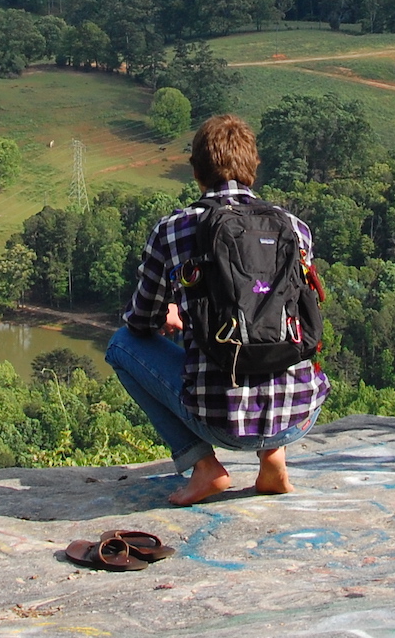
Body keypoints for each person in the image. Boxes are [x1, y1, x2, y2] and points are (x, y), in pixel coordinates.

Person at [106, 114, 330, 506]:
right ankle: (274, 457)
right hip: (299, 416)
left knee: (122, 345)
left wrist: (172, 316)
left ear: (196, 171)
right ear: (253, 169)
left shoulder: (174, 229)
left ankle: (203, 465)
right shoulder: (295, 228)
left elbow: (139, 319)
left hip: (220, 422)